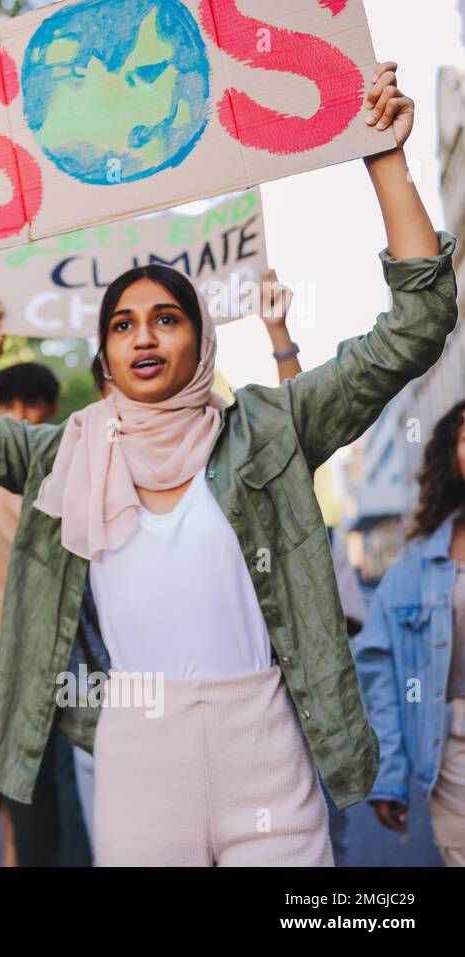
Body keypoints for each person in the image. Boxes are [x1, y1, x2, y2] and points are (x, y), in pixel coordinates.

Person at [0, 64, 454, 865]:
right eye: (123, 325)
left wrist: (383, 153)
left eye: (166, 318)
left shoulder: (271, 425)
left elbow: (417, 325)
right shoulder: (59, 451)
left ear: (200, 339)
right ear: (105, 352)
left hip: (271, 766)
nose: (144, 336)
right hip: (137, 763)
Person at [0, 297, 90, 867]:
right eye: (10, 403)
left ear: (53, 407)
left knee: (67, 774)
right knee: (16, 777)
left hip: (61, 643)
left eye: (35, 403)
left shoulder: (73, 466)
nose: (23, 414)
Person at [252, 269, 368, 866]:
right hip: (251, 721)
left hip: (316, 712)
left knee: (326, 840)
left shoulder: (310, 536)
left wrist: (279, 333)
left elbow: (295, 424)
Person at [356, 399, 465, 866]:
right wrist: (390, 775)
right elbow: (383, 673)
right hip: (458, 758)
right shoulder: (417, 566)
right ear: (452, 455)